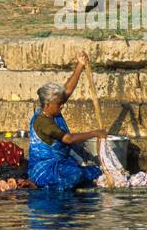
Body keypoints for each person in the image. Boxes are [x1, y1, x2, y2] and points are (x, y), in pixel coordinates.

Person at [27, 52, 107, 190]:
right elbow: (68, 139)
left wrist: (80, 65)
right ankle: (45, 188)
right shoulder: (43, 122)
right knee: (75, 175)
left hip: (60, 164)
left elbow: (67, 90)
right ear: (47, 104)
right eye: (59, 104)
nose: (63, 106)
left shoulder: (52, 110)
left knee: (96, 172)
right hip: (43, 169)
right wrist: (96, 133)